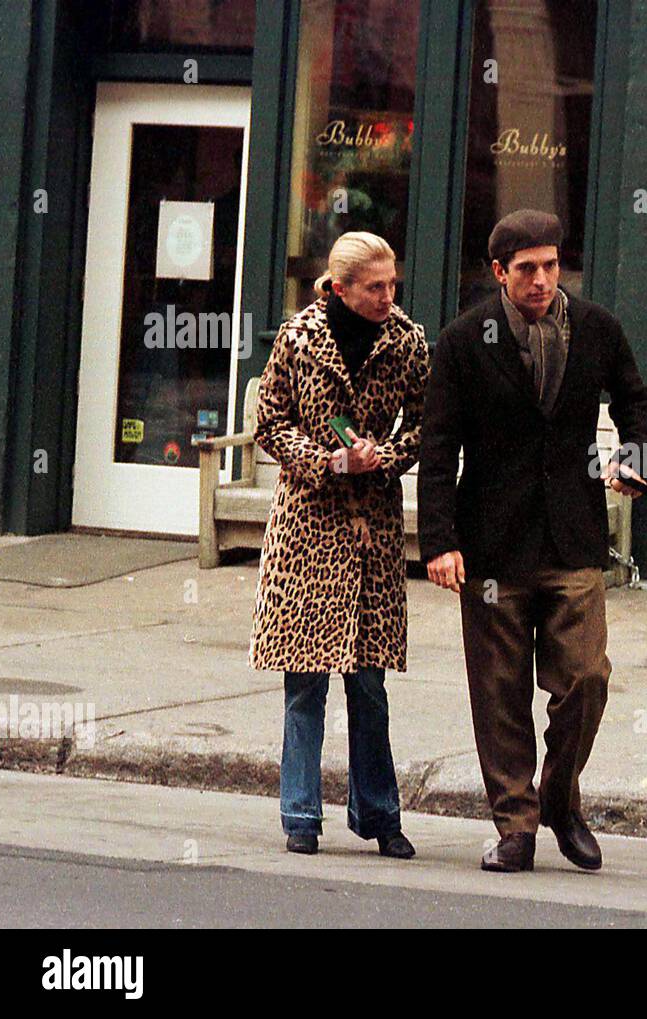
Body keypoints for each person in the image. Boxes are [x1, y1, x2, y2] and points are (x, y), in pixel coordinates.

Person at [417, 209, 647, 872]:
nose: (542, 279)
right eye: (527, 269)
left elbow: (635, 400)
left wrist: (636, 455)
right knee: (499, 692)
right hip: (491, 543)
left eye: (551, 266)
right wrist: (438, 540)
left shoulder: (597, 327)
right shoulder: (464, 340)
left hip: (573, 534)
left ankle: (560, 797)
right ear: (499, 272)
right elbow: (437, 448)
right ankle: (515, 824)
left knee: (586, 677)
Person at [250, 231, 429, 859]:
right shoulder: (297, 340)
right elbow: (268, 422)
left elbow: (429, 420)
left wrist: (383, 455)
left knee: (368, 683)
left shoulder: (406, 341)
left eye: (392, 285)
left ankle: (379, 814)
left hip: (371, 526)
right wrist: (323, 460)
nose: (387, 296)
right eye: (374, 287)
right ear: (339, 288)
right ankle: (300, 814)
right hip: (307, 526)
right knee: (305, 683)